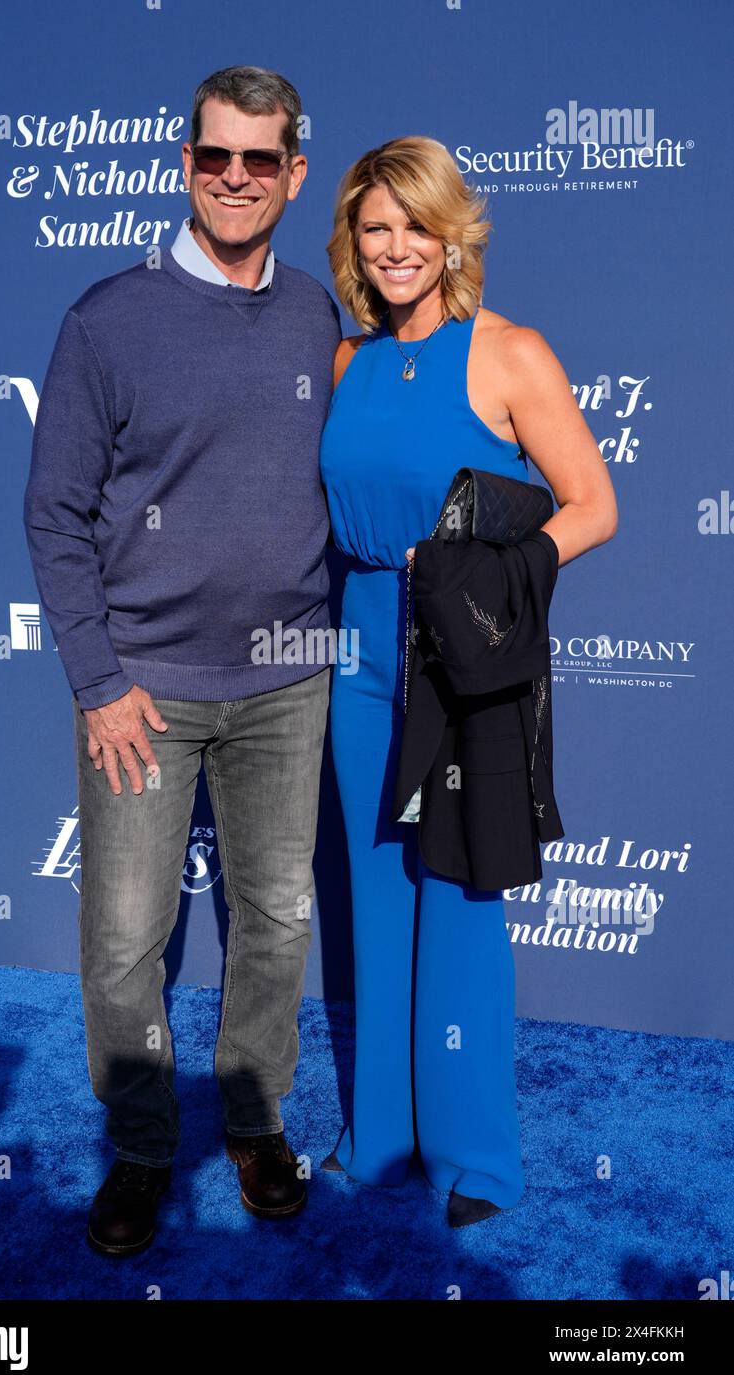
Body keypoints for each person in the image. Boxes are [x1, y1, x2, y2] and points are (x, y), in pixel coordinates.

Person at [23, 66, 341, 1256]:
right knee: (123, 933)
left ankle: (255, 1119)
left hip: (287, 680)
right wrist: (99, 681)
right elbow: (53, 513)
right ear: (185, 162)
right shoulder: (107, 319)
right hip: (143, 692)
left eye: (261, 160)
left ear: (293, 173)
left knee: (273, 915)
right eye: (216, 156)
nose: (236, 179)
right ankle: (146, 1143)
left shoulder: (318, 314)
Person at [318, 136, 618, 1226]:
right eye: (375, 226)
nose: (396, 248)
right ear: (352, 238)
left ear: (452, 235)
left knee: (461, 889)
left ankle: (476, 1159)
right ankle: (383, 1138)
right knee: (377, 883)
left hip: (459, 654)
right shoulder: (347, 362)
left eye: (415, 226)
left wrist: (487, 572)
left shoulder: (507, 353)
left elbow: (590, 504)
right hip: (355, 646)